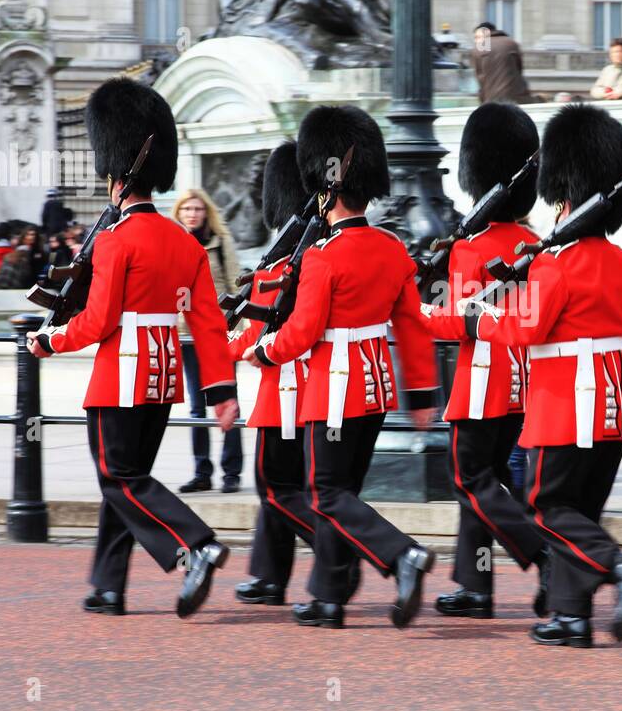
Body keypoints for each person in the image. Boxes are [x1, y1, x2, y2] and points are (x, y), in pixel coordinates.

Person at [28, 77, 241, 619]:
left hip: (121, 375)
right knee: (125, 482)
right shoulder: (185, 241)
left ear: (114, 174)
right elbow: (209, 323)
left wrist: (50, 339)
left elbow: (98, 322)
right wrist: (220, 391)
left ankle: (196, 544)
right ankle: (108, 586)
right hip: (165, 376)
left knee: (120, 479)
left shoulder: (117, 241)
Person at [460, 104, 622, 647]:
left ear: (564, 198)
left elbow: (525, 328)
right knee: (581, 514)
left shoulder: (554, 264)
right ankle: (572, 617)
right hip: (614, 409)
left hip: (562, 408)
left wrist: (480, 319)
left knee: (547, 508)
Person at [243, 104, 440, 631]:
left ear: (325, 190)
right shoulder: (393, 247)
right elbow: (413, 327)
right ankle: (328, 599)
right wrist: (421, 395)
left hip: (334, 390)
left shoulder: (323, 257)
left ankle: (401, 555)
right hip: (376, 389)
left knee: (322, 494)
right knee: (341, 495)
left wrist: (264, 351)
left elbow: (304, 331)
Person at [421, 103, 550, 619]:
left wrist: (413, 307)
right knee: (489, 483)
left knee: (469, 480)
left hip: (481, 383)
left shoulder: (470, 248)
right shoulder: (535, 243)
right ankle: (475, 588)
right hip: (522, 384)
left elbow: (454, 323)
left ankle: (547, 556)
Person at [227, 141, 360, 608]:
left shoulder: (281, 267)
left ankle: (339, 548)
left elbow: (256, 333)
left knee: (274, 484)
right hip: (320, 385)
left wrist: (221, 349)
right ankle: (268, 574)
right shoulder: (319, 254)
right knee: (286, 485)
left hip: (282, 388)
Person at [171, 186, 245, 494]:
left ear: (206, 213)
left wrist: (233, 327)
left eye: (198, 209)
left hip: (217, 335)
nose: (192, 214)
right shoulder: (172, 243)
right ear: (179, 213)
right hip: (187, 336)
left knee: (227, 400)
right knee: (197, 406)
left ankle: (231, 472)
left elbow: (236, 286)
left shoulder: (220, 242)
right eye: (187, 209)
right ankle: (202, 470)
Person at [472, 21, 533, 104]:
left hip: (492, 100)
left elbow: (481, 79)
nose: (476, 41)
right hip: (517, 99)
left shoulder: (479, 49)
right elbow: (519, 70)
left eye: (477, 37)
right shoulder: (512, 44)